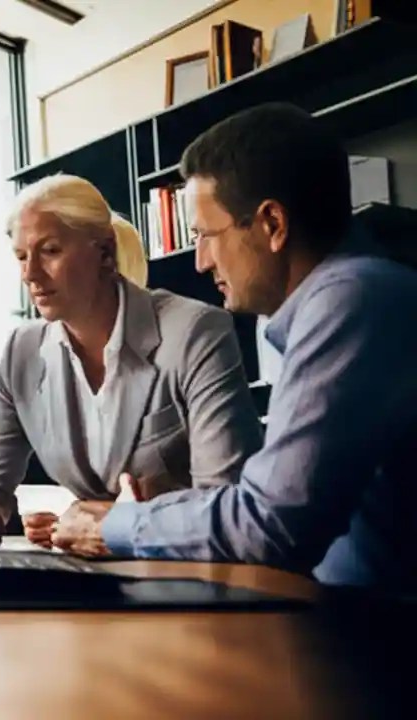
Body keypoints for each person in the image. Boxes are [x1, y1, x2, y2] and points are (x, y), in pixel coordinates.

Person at [50, 103, 417, 591]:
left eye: (205, 234)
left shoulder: (349, 300)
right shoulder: (349, 295)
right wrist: (138, 516)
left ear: (272, 224)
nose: (200, 261)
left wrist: (113, 527)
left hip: (375, 630)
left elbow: (271, 523)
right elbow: (263, 500)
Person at [0, 174, 261, 547]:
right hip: (90, 568)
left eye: (50, 251)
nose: (30, 274)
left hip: (196, 564)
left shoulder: (195, 332)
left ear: (105, 252)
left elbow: (223, 498)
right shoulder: (21, 352)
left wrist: (108, 523)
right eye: (22, 257)